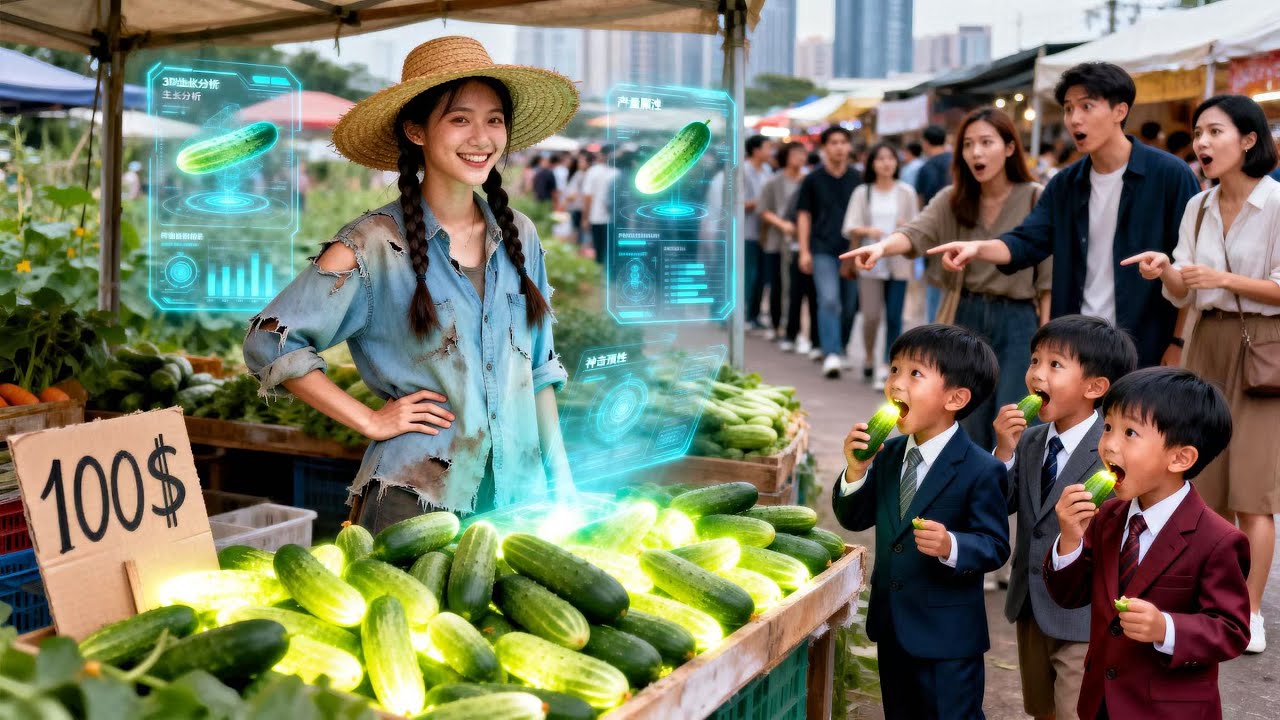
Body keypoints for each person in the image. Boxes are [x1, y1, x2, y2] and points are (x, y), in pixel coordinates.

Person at [243, 36, 577, 531]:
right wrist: (371, 420)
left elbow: (540, 371)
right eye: (459, 119)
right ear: (416, 130)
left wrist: (563, 483)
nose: (481, 137)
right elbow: (270, 341)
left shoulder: (519, 234)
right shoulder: (374, 243)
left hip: (517, 502)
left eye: (494, 120)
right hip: (415, 501)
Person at [1122, 93, 1280, 655]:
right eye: (1198, 133)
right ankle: (1205, 600)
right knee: (1202, 479)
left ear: (1249, 140)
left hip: (1264, 347)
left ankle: (1249, 610)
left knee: (1253, 490)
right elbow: (1182, 290)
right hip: (1205, 338)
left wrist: (1223, 277)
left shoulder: (1276, 203)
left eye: (1215, 132)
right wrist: (1165, 270)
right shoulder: (1199, 205)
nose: (1203, 143)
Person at [929, 62, 1201, 369]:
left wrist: (1178, 342)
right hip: (1077, 344)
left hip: (1145, 341)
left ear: (1119, 111)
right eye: (1069, 109)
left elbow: (1190, 264)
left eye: (1086, 106)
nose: (1074, 119)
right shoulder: (1065, 184)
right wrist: (978, 248)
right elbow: (1027, 240)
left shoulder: (1169, 176)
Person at [1046, 367, 1249, 720]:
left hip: (1168, 709)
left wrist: (1165, 628)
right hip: (1101, 702)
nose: (1108, 443)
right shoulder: (1107, 517)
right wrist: (1069, 538)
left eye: (1130, 433)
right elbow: (1070, 595)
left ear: (1180, 458)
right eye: (1107, 426)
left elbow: (1231, 630)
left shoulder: (1218, 539)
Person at [844, 107, 1052, 450]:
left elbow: (1048, 279)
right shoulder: (952, 198)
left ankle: (1005, 498)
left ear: (1010, 147)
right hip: (964, 317)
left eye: (986, 142)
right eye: (968, 145)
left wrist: (1046, 347)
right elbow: (916, 234)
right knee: (962, 416)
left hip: (1018, 321)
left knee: (1015, 419)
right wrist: (882, 247)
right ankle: (963, 498)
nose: (976, 153)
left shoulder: (1035, 197)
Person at [833, 324, 1009, 720]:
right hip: (892, 624)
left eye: (915, 374)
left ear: (956, 397)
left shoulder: (982, 469)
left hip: (948, 637)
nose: (896, 383)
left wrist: (953, 546)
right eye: (894, 369)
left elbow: (996, 545)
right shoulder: (889, 453)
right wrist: (855, 472)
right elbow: (854, 516)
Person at [993, 315, 1139, 720]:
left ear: (1095, 387)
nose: (1036, 374)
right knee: (1041, 709)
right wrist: (1004, 452)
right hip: (1029, 606)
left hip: (1085, 615)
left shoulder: (1112, 452)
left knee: (1075, 711)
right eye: (1034, 360)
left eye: (1055, 365)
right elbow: (1000, 502)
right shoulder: (1032, 440)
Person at [842, 142, 918, 389]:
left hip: (898, 263)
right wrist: (868, 230)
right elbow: (850, 225)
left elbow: (917, 229)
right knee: (872, 315)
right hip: (870, 264)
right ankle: (867, 356)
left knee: (895, 317)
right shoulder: (862, 192)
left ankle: (889, 367)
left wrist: (905, 225)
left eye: (891, 158)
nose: (886, 163)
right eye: (880, 158)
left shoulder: (906, 191)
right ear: (871, 163)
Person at [797, 125, 862, 378]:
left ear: (849, 147)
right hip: (822, 248)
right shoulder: (813, 179)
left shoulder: (857, 178)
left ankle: (841, 347)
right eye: (833, 142)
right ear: (824, 148)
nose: (839, 147)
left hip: (853, 250)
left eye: (843, 142)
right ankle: (831, 352)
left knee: (850, 305)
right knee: (829, 300)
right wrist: (804, 251)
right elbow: (804, 215)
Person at [759, 141, 810, 351]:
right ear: (786, 156)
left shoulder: (807, 180)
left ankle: (792, 327)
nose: (801, 157)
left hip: (799, 242)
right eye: (796, 153)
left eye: (803, 154)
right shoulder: (774, 181)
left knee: (794, 287)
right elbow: (764, 210)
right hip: (776, 241)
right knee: (777, 284)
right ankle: (775, 322)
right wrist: (783, 224)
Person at [916, 124, 953, 324]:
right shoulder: (957, 162)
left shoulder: (926, 168)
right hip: (961, 234)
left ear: (925, 143)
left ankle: (935, 332)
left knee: (934, 286)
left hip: (934, 234)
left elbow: (921, 204)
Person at [742, 135, 776, 331]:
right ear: (755, 150)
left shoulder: (767, 171)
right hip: (747, 232)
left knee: (761, 276)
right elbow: (738, 203)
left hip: (764, 233)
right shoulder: (744, 171)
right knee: (749, 275)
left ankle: (753, 315)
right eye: (767, 148)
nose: (770, 152)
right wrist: (761, 204)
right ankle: (743, 315)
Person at [581, 146, 619, 264]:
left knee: (599, 249)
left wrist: (585, 218)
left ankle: (600, 272)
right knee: (610, 249)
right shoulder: (617, 172)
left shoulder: (593, 171)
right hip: (612, 219)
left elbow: (587, 197)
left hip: (596, 217)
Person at [562, 152, 590, 248]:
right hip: (581, 207)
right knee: (580, 230)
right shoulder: (583, 174)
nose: (580, 164)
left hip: (577, 207)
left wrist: (565, 201)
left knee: (577, 230)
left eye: (582, 162)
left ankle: (578, 249)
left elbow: (573, 194)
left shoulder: (580, 175)